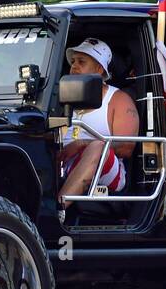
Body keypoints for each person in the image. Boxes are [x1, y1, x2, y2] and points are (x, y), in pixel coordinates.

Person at [57, 38, 139, 204]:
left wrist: (82, 144)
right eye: (72, 61)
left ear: (100, 68)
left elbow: (126, 147)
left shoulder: (118, 99)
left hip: (106, 173)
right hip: (62, 165)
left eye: (81, 61)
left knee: (98, 147)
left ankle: (60, 208)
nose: (74, 66)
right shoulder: (60, 96)